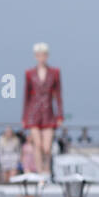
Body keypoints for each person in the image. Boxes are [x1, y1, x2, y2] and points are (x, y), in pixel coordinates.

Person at [22, 42, 63, 175]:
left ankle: (47, 170)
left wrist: (60, 115)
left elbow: (58, 95)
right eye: (39, 55)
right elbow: (26, 96)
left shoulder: (55, 72)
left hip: (48, 113)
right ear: (35, 56)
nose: (42, 57)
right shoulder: (29, 73)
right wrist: (24, 117)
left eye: (44, 54)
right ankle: (40, 172)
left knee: (47, 147)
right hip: (34, 113)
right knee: (37, 145)